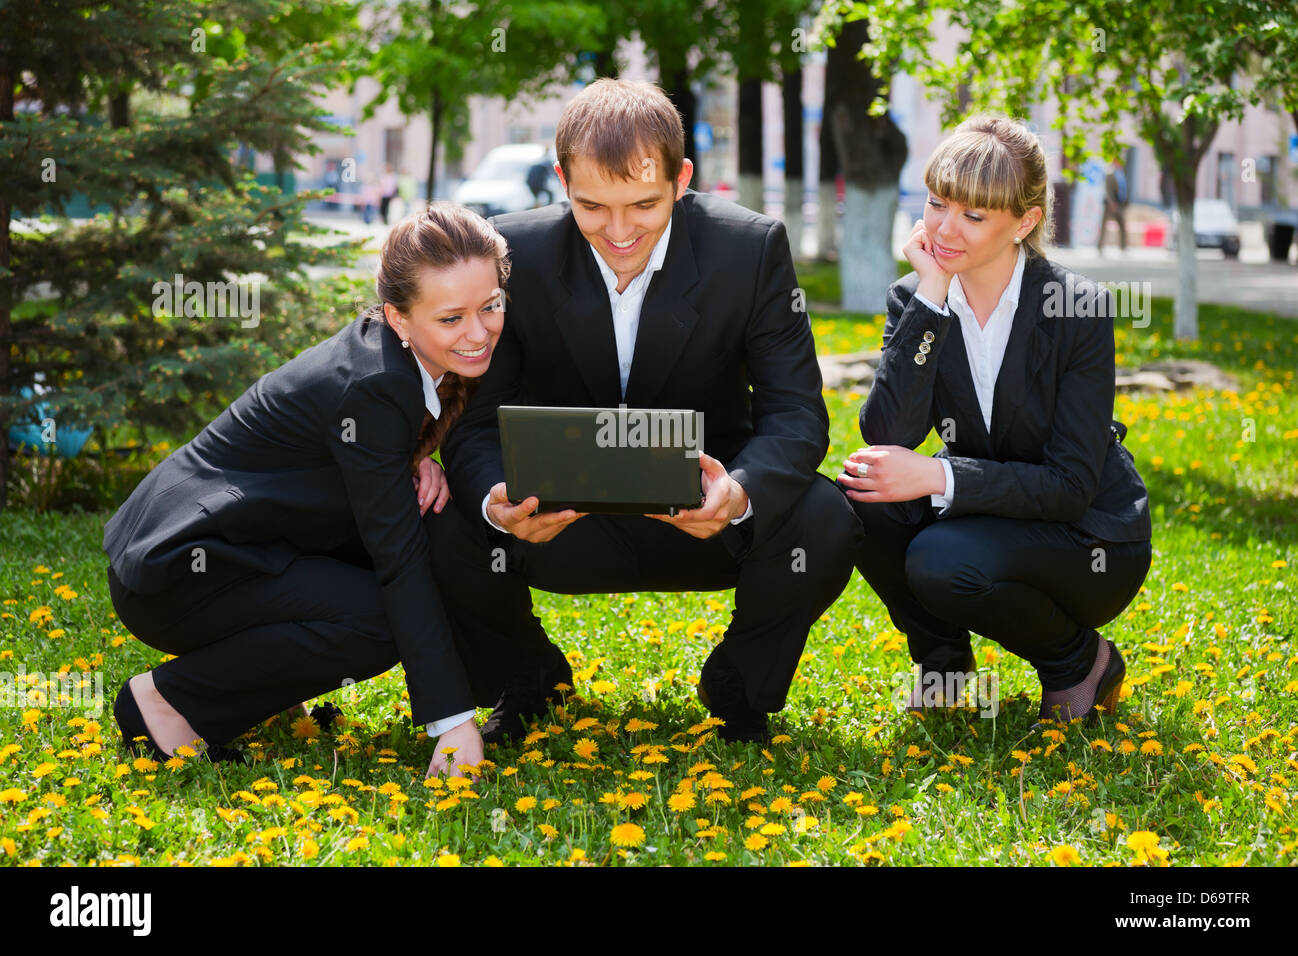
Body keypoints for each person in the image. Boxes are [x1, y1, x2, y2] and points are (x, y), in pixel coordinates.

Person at [426, 79, 862, 745]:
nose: (620, 231)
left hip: (706, 516)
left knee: (825, 518)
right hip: (557, 521)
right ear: (562, 176)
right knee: (438, 518)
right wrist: (495, 500)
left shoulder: (750, 250)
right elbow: (475, 422)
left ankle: (738, 686)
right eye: (592, 205)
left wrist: (738, 492)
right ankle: (528, 674)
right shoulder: (511, 255)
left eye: (645, 204)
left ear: (682, 178)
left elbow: (797, 415)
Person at [102, 203, 509, 777]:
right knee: (380, 619)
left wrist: (414, 459)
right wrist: (452, 722)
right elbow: (397, 561)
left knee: (416, 546)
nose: (478, 331)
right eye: (451, 319)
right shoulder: (377, 384)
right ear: (398, 318)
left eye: (490, 306)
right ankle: (168, 701)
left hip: (228, 546)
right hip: (179, 569)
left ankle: (252, 689)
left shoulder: (401, 362)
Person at [837, 114, 1152, 725]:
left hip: (1088, 539)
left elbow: (1068, 487)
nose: (944, 229)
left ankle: (1078, 660)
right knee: (861, 495)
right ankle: (945, 668)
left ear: (1026, 221)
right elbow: (889, 435)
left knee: (940, 560)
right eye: (935, 204)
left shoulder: (1076, 308)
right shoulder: (915, 295)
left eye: (974, 216)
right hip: (991, 516)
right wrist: (931, 298)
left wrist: (939, 480)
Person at [1098, 160, 1129, 252]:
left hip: (1120, 204)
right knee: (1104, 225)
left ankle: (1123, 246)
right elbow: (1108, 190)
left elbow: (1123, 189)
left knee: (1122, 225)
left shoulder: (1121, 174)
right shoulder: (1110, 174)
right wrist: (1111, 202)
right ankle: (1100, 246)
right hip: (1111, 204)